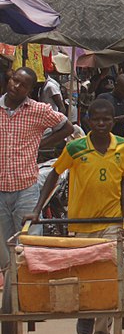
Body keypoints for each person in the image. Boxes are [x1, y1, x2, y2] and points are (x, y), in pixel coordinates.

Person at [29, 98, 124, 334]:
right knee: (82, 275)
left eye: (106, 120)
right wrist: (36, 210)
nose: (101, 124)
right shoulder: (76, 148)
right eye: (96, 120)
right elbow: (54, 174)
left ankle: (103, 332)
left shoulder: (123, 147)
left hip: (109, 220)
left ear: (113, 121)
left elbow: (122, 179)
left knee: (109, 275)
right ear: (88, 122)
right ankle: (85, 312)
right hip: (80, 222)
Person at [0, 67, 73, 269]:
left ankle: (30, 295)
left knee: (31, 248)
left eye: (23, 85)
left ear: (30, 90)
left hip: (26, 190)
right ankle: (12, 296)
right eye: (15, 80)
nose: (16, 86)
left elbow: (67, 127)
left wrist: (41, 143)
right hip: (0, 191)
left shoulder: (38, 110)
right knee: (6, 253)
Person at [96, 73, 124, 137]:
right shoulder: (104, 98)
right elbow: (97, 120)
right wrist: (116, 120)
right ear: (116, 86)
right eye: (123, 91)